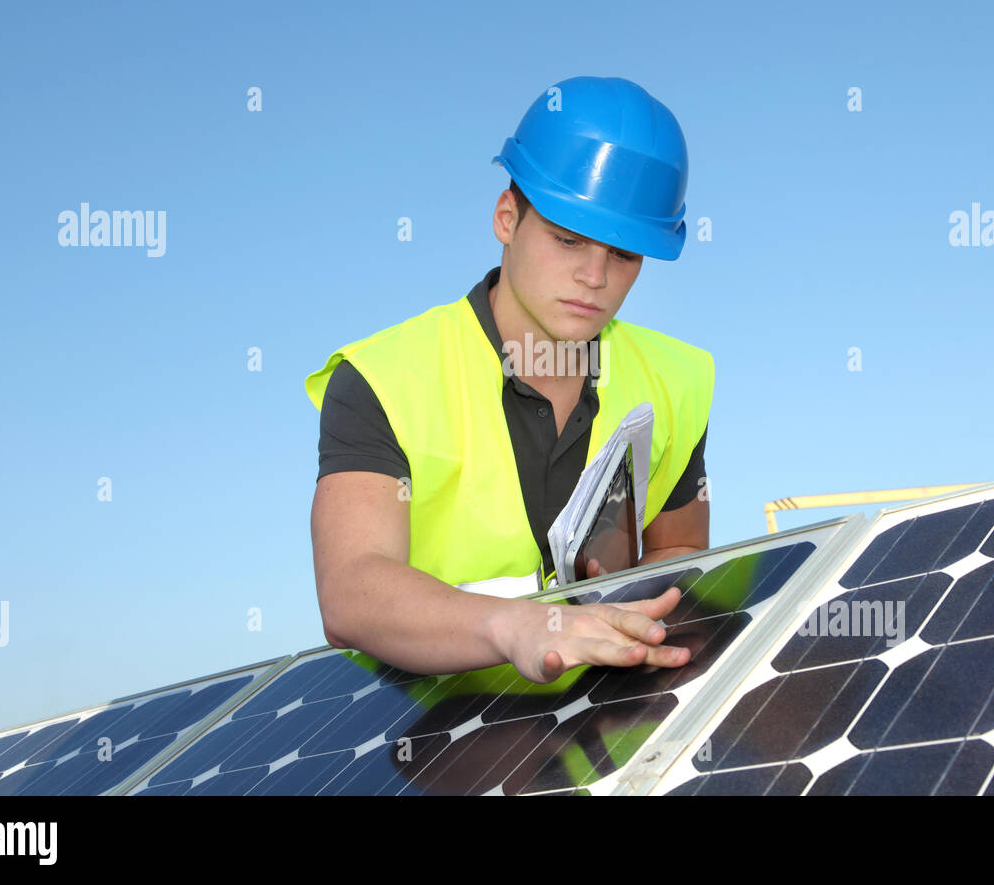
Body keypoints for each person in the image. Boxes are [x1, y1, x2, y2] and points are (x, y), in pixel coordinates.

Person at [306, 76, 714, 685]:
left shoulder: (676, 379)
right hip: (433, 750)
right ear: (507, 217)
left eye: (625, 254)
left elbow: (679, 551)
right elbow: (352, 588)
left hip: (606, 732)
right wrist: (518, 626)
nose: (595, 277)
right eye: (568, 239)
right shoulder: (384, 377)